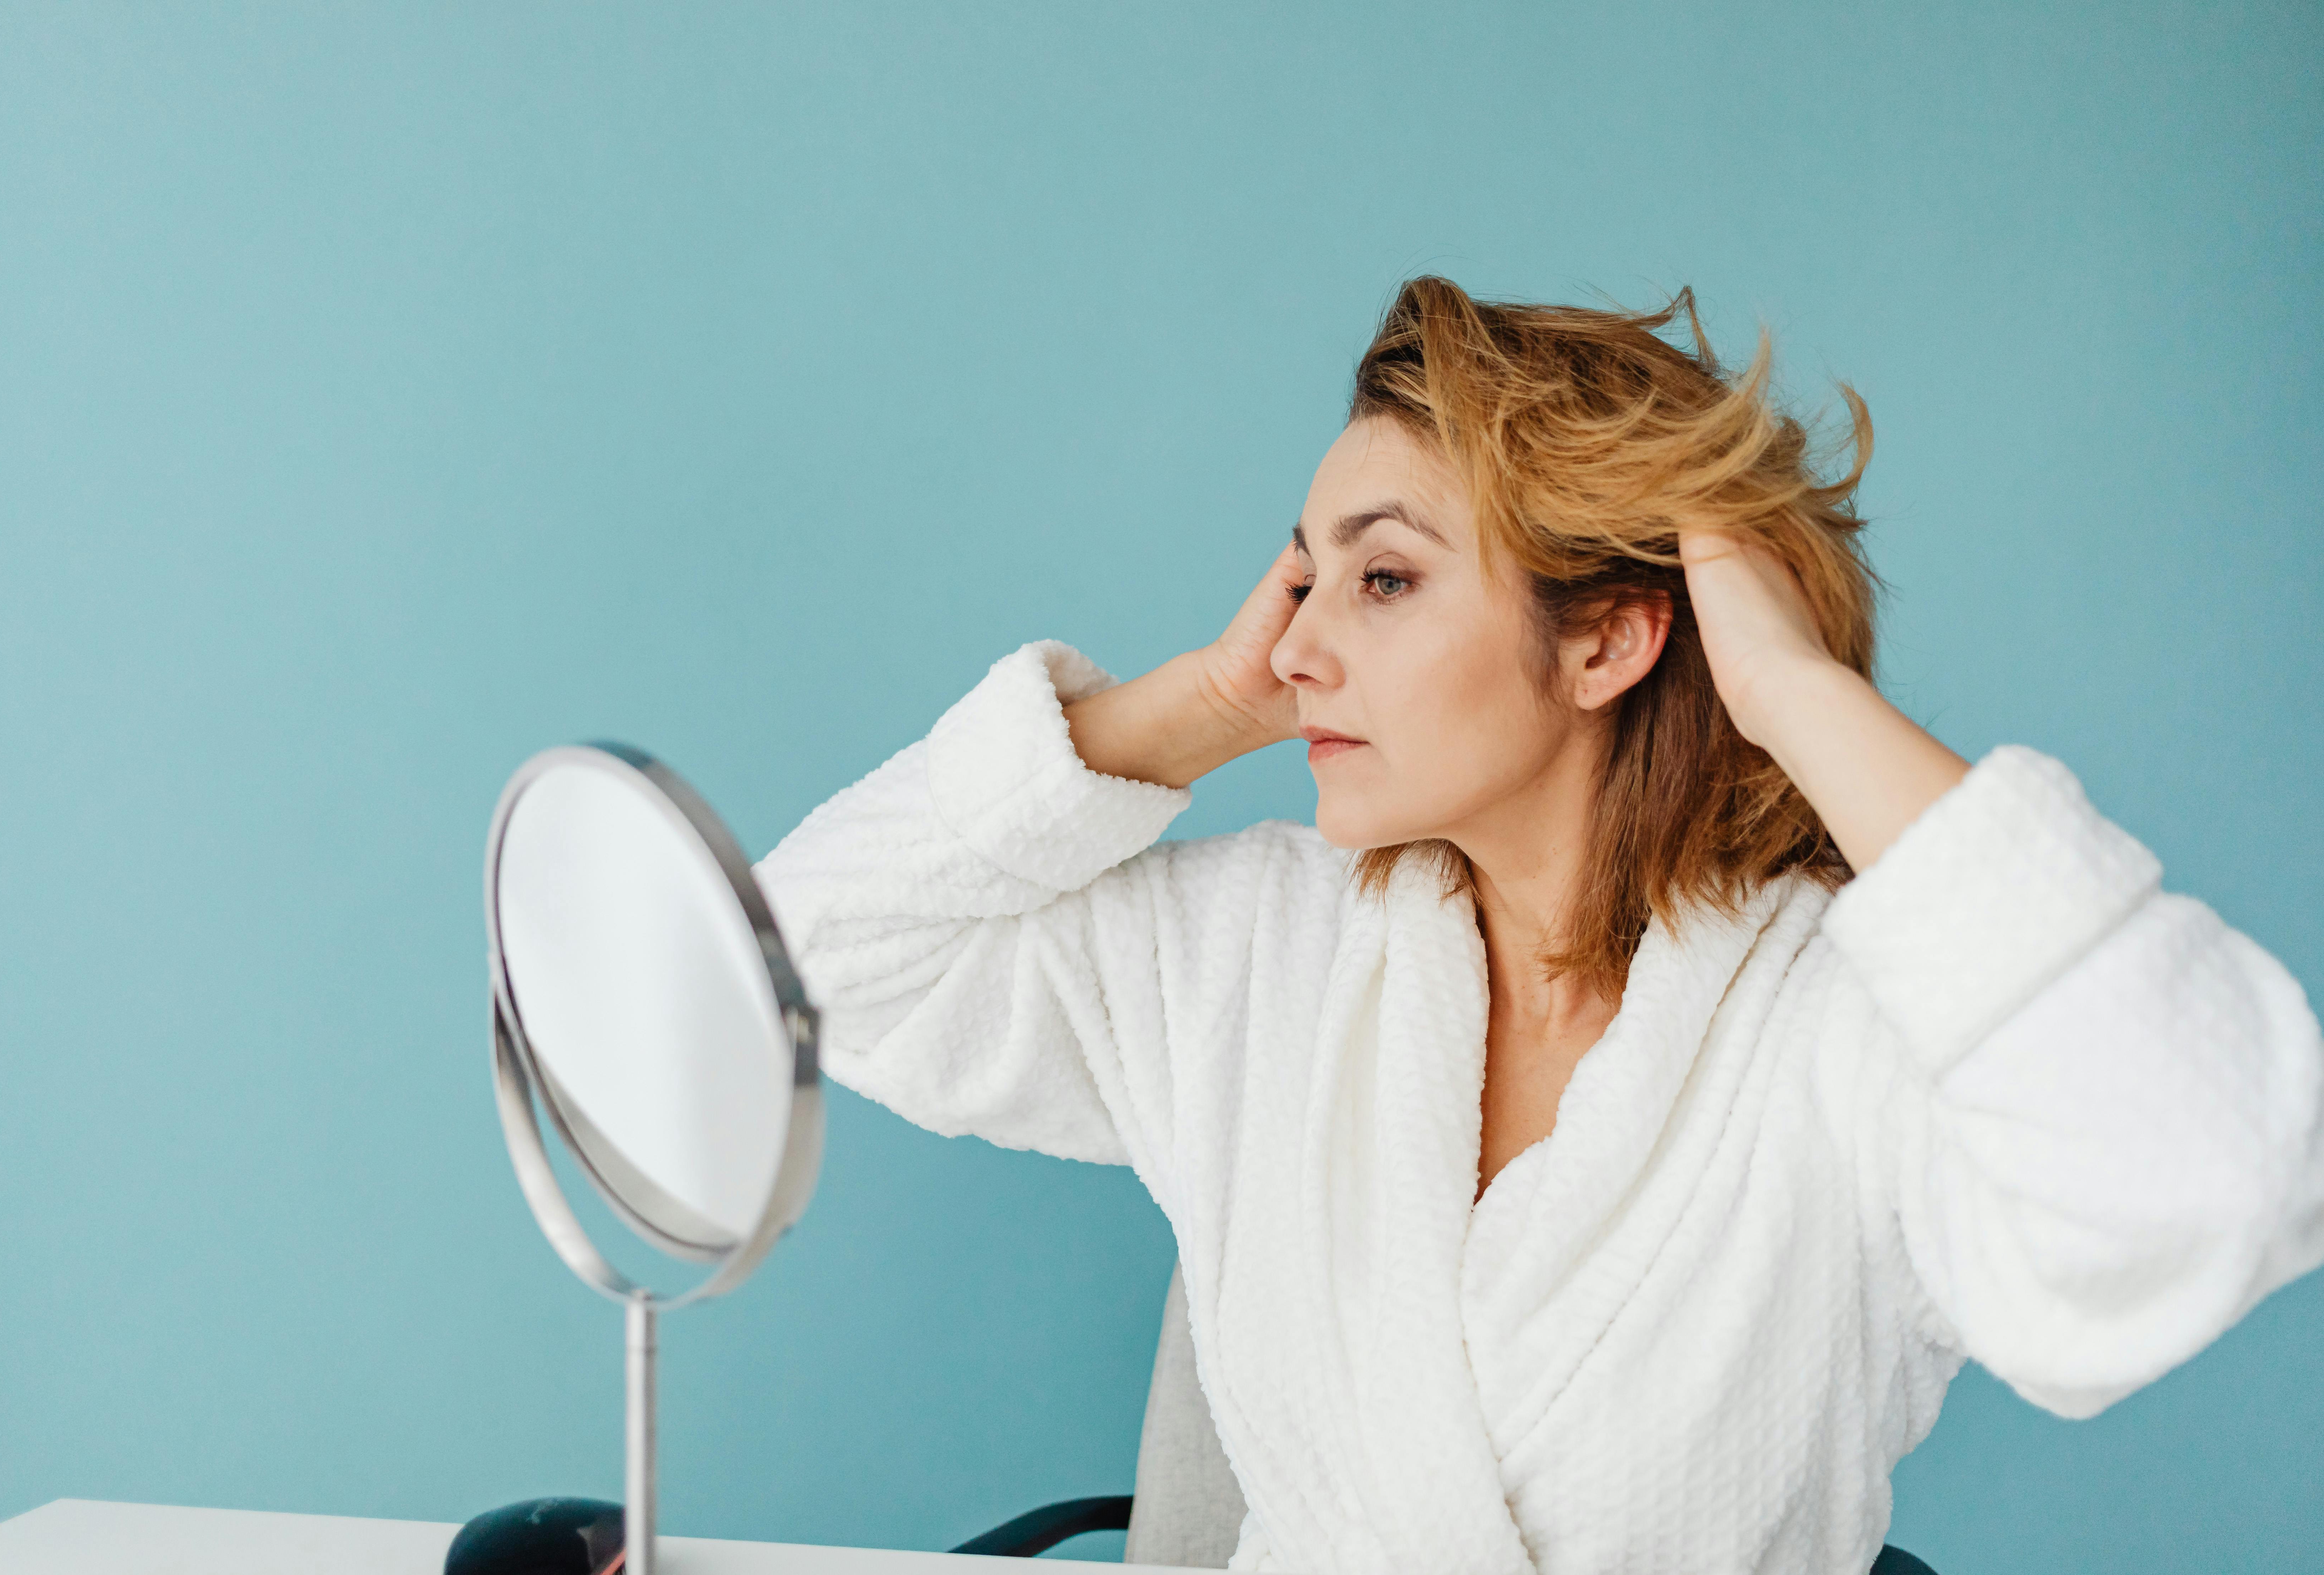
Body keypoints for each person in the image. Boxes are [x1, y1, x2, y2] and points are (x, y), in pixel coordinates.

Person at [752, 277, 2324, 1575]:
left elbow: (2219, 1169)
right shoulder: (1268, 957)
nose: (1296, 644)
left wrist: (1797, 694)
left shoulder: (1841, 1033)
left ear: (1612, 641)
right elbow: (803, 959)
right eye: (1306, 580)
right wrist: (1196, 705)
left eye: (1383, 580)